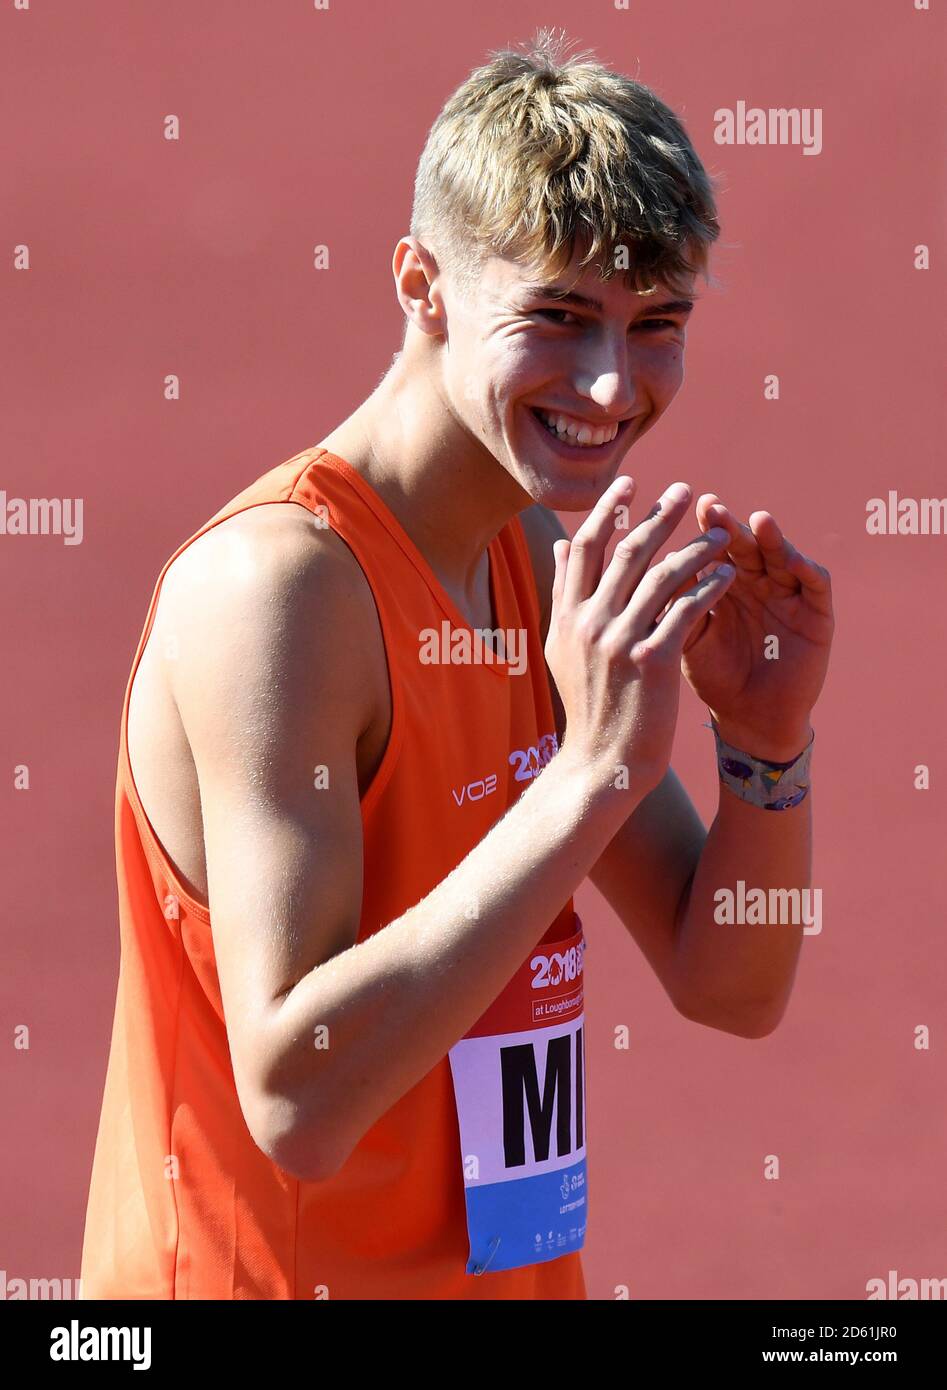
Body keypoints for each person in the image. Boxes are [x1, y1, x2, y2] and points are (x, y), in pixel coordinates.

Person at [79, 28, 834, 1301]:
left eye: (655, 323)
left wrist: (765, 749)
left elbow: (729, 982)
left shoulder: (540, 562)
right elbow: (296, 1096)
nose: (609, 385)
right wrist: (589, 773)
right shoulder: (283, 593)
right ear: (421, 282)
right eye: (556, 315)